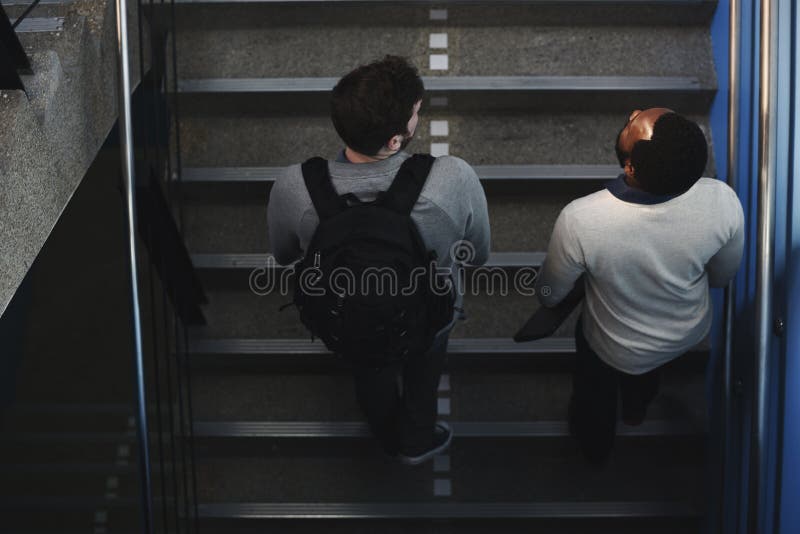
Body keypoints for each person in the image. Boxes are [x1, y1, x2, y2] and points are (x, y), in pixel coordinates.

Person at [267, 55, 491, 465]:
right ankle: (417, 434)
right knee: (426, 369)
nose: (418, 116)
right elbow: (479, 254)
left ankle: (385, 429)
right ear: (394, 141)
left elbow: (284, 256)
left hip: (346, 315)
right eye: (415, 114)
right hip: (429, 313)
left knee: (369, 370)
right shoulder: (454, 179)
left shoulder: (294, 187)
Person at [535, 108, 744, 464]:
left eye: (634, 125)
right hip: (682, 334)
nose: (632, 114)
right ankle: (635, 410)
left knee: (594, 394)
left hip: (611, 344)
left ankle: (594, 450)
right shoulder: (723, 200)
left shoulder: (583, 218)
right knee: (644, 377)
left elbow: (550, 293)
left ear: (630, 167)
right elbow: (721, 279)